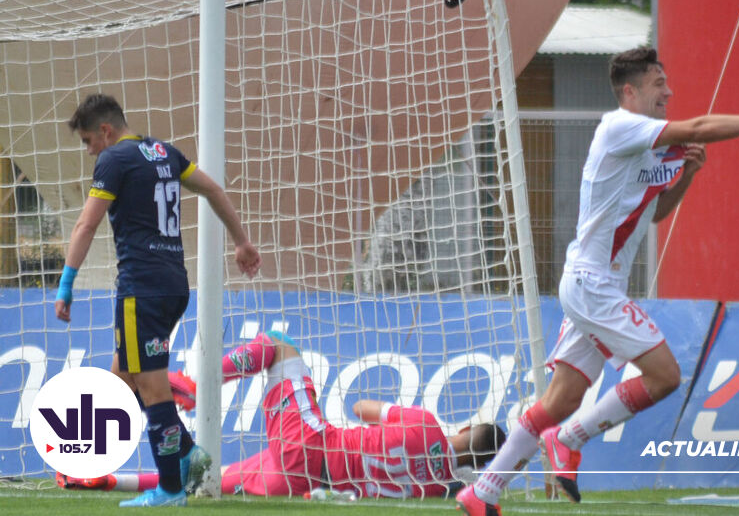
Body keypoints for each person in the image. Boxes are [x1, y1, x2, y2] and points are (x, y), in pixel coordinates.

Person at [455, 47, 739, 515]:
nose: (668, 92)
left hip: (592, 287)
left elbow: (657, 212)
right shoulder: (618, 126)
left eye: (666, 84)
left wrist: (687, 174)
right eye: (657, 84)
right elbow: (700, 127)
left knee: (561, 398)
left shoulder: (646, 147)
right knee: (666, 375)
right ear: (630, 92)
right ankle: (568, 440)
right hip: (593, 286)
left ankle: (481, 492)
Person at [54, 93, 262, 507]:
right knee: (123, 380)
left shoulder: (114, 160)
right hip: (174, 284)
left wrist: (66, 284)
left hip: (142, 288)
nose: (90, 150)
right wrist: (241, 242)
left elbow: (85, 224)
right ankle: (188, 454)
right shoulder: (166, 153)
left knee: (150, 389)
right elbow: (213, 189)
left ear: (105, 131)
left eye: (88, 142)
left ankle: (170, 488)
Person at [57, 330, 507, 500]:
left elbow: (360, 407)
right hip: (299, 484)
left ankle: (196, 386)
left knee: (277, 347)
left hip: (314, 444)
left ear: (465, 427)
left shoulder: (426, 425)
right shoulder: (438, 490)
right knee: (210, 479)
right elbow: (462, 484)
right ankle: (106, 479)